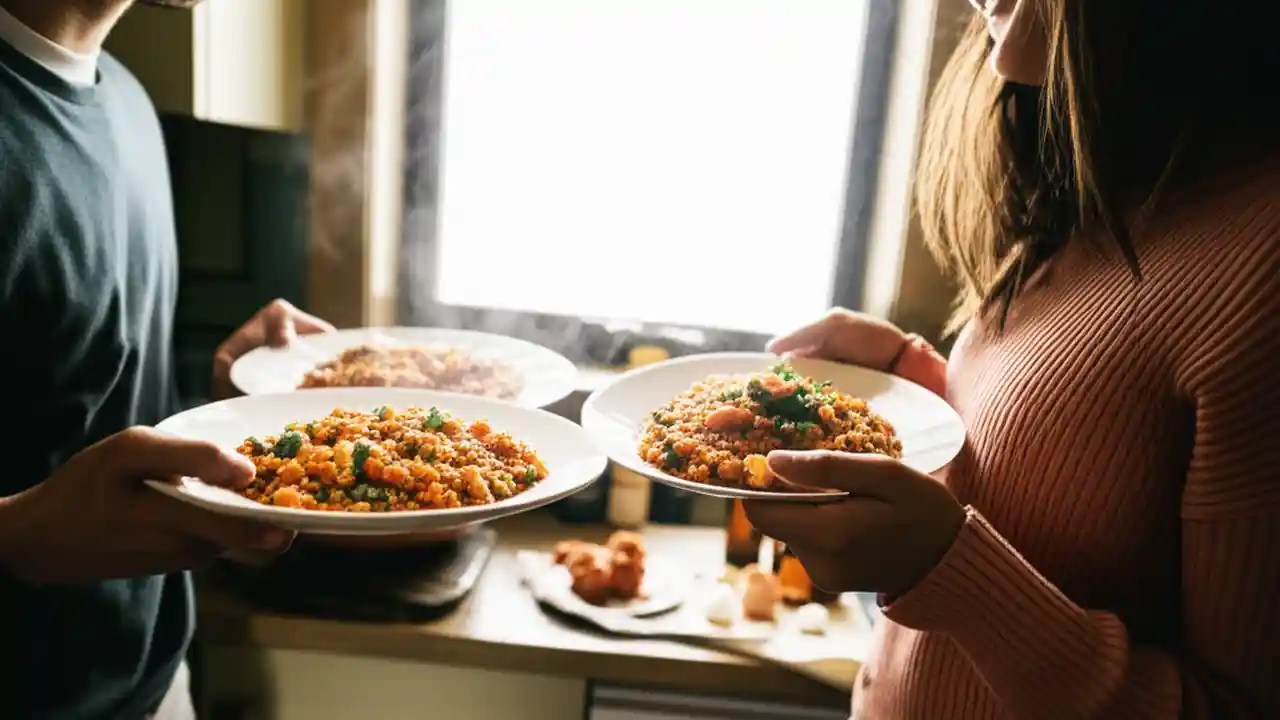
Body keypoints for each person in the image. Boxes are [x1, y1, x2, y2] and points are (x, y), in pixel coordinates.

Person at [746, 0, 1279, 718]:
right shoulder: (1114, 178)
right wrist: (923, 390)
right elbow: (1073, 479)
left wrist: (946, 571)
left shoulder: (1263, 270)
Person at [0, 0, 333, 717]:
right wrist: (15, 537)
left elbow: (81, 408)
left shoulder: (124, 97)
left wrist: (224, 404)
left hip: (157, 682)